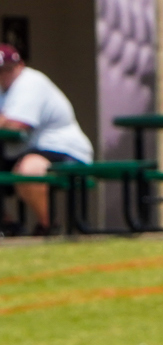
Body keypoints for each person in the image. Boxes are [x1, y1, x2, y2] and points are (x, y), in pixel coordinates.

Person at [0, 44, 92, 235]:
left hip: (63, 148)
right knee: (24, 165)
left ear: (20, 65)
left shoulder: (30, 82)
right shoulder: (3, 90)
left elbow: (18, 124)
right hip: (23, 149)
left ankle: (48, 226)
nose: (4, 74)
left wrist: (5, 121)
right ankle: (8, 224)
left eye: (7, 69)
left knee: (28, 169)